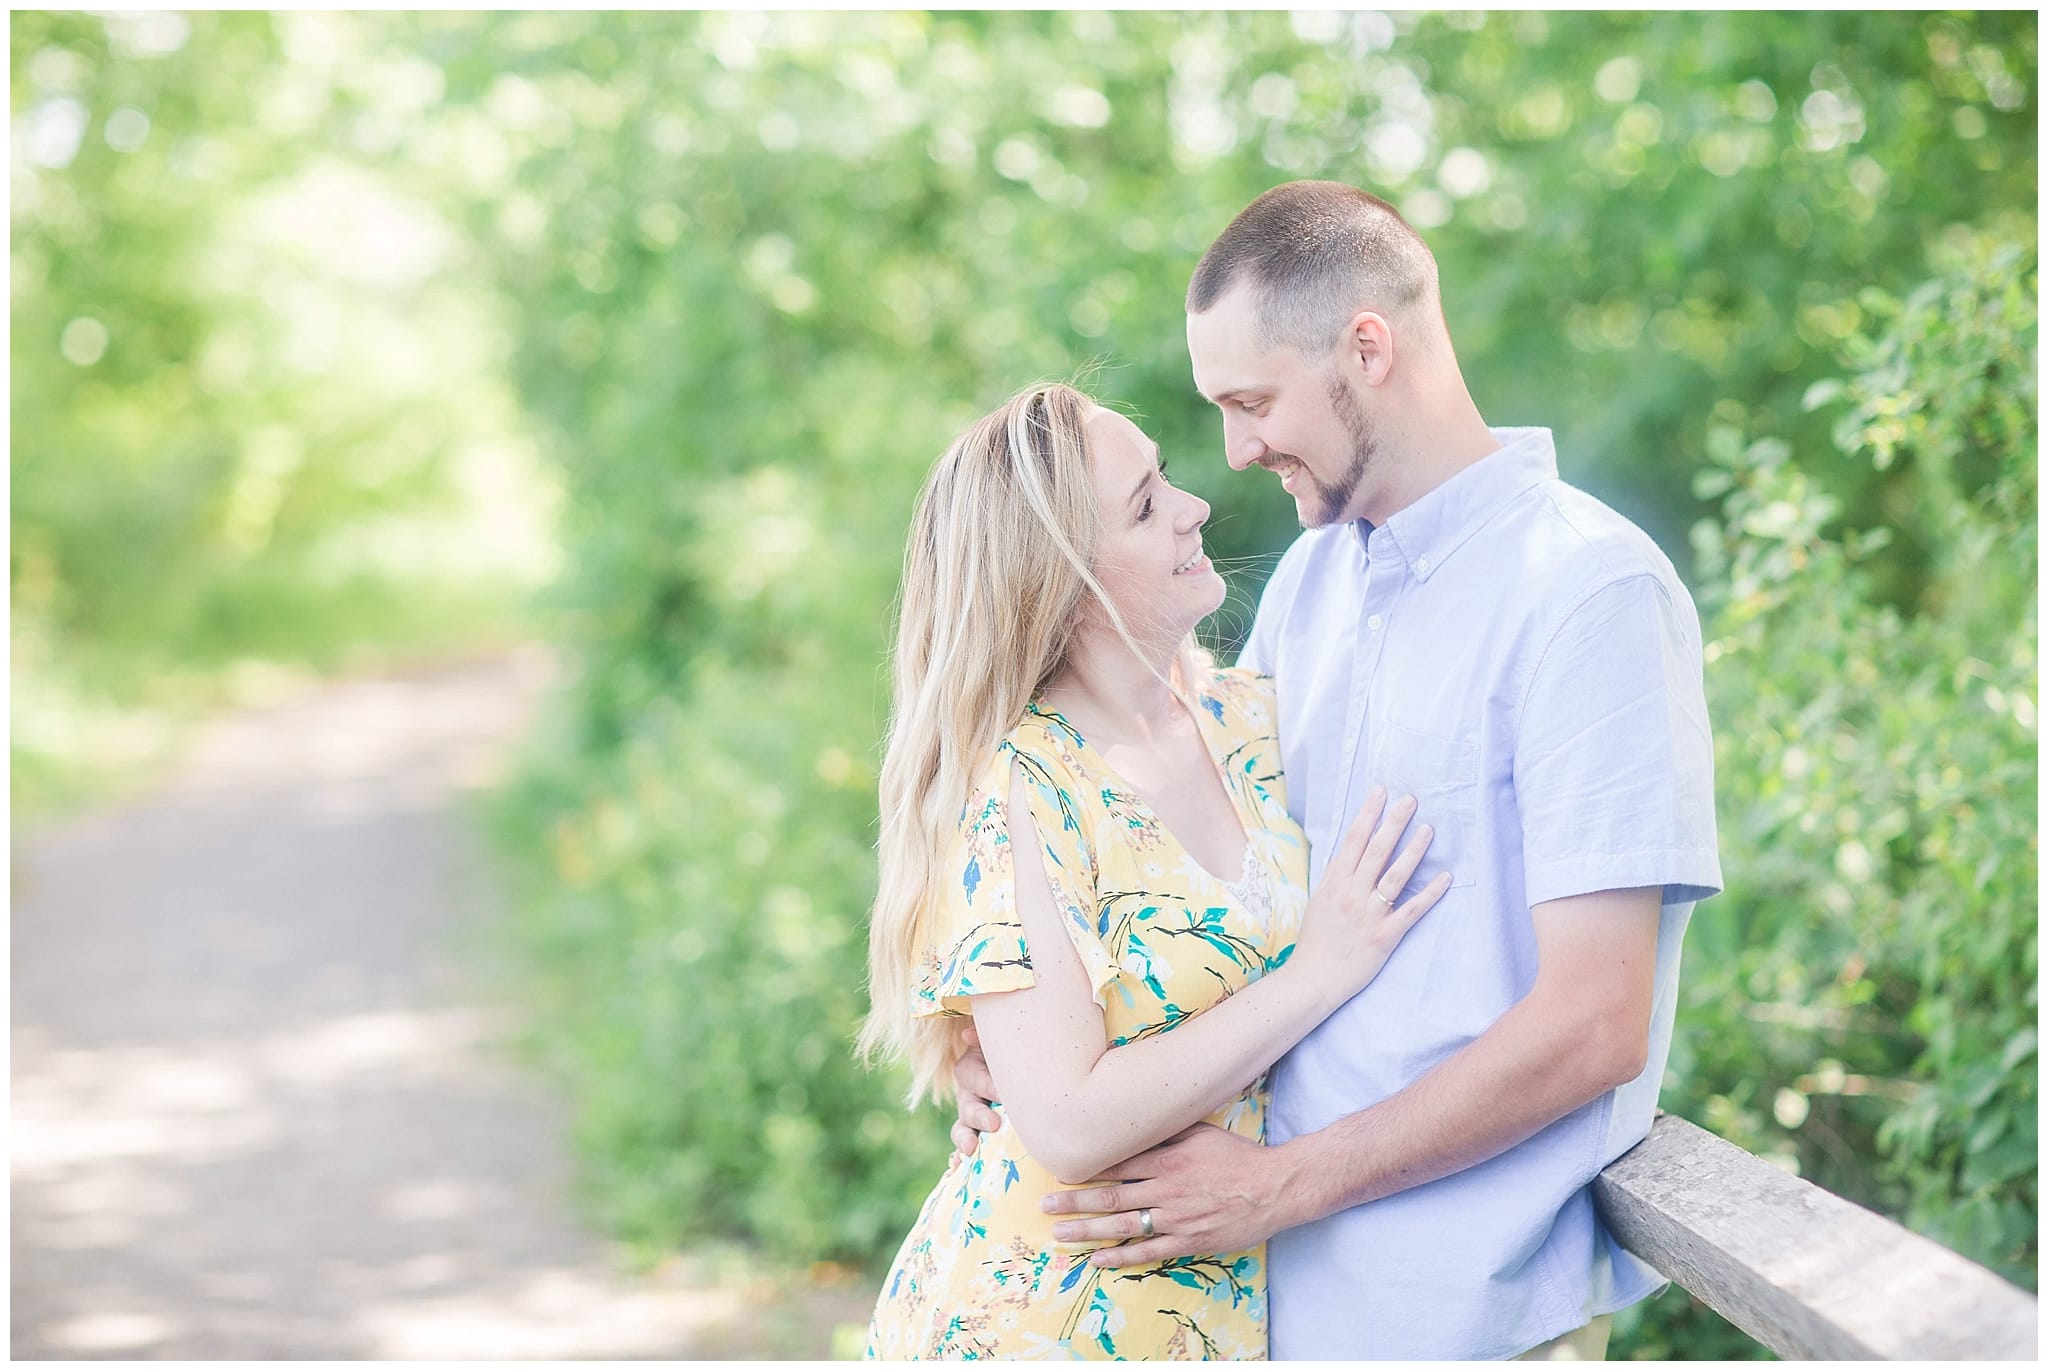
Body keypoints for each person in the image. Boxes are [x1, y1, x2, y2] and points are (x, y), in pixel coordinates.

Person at [950, 182, 1723, 1359]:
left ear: (1366, 349)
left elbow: (1592, 1025)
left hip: (1459, 1315)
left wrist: (1279, 1187)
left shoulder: (1585, 594)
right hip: (1259, 1309)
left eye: (1251, 401)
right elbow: (1189, 888)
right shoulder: (1308, 590)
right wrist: (1016, 1051)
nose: (1235, 449)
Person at [858, 381, 1452, 1359]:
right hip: (1042, 1326)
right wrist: (1318, 970)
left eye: (1162, 479)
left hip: (1209, 1322)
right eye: (1143, 506)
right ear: (1058, 582)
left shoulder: (1245, 718)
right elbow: (1066, 1121)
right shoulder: (1018, 788)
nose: (1194, 507)